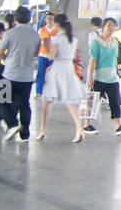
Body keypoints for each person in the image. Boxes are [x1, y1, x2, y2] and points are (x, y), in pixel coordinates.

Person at [37, 14, 87, 144]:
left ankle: (43, 129)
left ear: (57, 24)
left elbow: (50, 56)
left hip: (58, 70)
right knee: (70, 101)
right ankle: (79, 128)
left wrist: (47, 45)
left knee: (47, 100)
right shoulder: (73, 39)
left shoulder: (57, 39)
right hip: (68, 69)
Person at [0, 5, 41, 142]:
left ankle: (12, 125)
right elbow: (36, 54)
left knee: (1, 101)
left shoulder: (9, 33)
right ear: (29, 19)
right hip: (27, 77)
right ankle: (25, 135)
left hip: (9, 74)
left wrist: (7, 59)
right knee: (24, 104)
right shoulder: (36, 35)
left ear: (15, 19)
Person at [85, 17, 121, 137]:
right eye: (109, 25)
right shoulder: (96, 42)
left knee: (115, 102)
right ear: (103, 27)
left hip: (112, 78)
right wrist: (90, 77)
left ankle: (118, 125)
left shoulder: (115, 42)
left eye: (114, 26)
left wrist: (116, 73)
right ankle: (86, 124)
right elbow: (93, 61)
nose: (111, 28)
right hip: (99, 77)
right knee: (93, 101)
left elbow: (114, 59)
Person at [35, 12, 58, 99]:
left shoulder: (57, 31)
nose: (49, 20)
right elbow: (38, 42)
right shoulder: (41, 30)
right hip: (42, 55)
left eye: (51, 18)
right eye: (48, 18)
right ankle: (38, 92)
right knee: (40, 74)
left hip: (53, 56)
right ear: (45, 19)